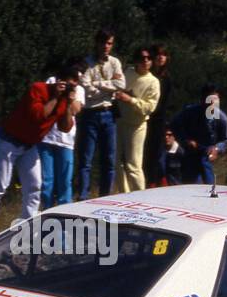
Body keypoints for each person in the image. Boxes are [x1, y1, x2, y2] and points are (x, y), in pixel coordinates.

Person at [0, 62, 82, 238]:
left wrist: (69, 102)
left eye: (74, 84)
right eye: (68, 83)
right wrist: (56, 97)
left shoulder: (66, 100)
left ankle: (27, 224)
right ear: (58, 81)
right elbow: (38, 116)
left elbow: (65, 127)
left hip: (29, 145)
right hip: (9, 141)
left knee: (35, 185)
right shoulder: (38, 89)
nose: (70, 87)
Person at [74, 30, 125, 200]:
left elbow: (121, 84)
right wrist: (107, 89)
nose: (106, 47)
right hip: (90, 114)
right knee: (86, 159)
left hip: (108, 113)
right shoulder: (86, 62)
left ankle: (105, 197)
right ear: (97, 43)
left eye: (109, 43)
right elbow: (86, 89)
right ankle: (83, 196)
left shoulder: (115, 62)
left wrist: (98, 85)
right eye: (103, 43)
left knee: (109, 159)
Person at [113, 47, 161, 192]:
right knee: (116, 162)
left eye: (148, 58)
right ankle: (124, 194)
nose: (145, 61)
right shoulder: (127, 72)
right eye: (142, 58)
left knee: (133, 165)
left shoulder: (153, 82)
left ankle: (140, 195)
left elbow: (149, 108)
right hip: (119, 121)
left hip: (137, 125)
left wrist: (131, 100)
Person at [169, 85, 227, 185]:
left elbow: (225, 140)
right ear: (202, 99)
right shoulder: (189, 112)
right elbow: (174, 124)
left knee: (206, 170)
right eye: (209, 99)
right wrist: (185, 140)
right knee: (189, 181)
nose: (212, 103)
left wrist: (217, 149)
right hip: (190, 150)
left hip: (207, 151)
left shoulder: (222, 118)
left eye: (215, 100)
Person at [39, 77, 83, 209]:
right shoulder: (51, 81)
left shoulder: (78, 88)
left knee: (64, 181)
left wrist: (70, 98)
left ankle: (65, 216)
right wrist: (57, 93)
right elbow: (44, 106)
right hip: (47, 139)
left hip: (66, 142)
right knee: (47, 181)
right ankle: (46, 213)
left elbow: (76, 110)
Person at [141, 44, 172, 187]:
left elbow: (167, 103)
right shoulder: (148, 76)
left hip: (159, 121)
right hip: (145, 118)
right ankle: (148, 183)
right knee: (145, 154)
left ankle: (158, 183)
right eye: (158, 54)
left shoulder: (167, 79)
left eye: (164, 54)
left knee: (157, 155)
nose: (161, 57)